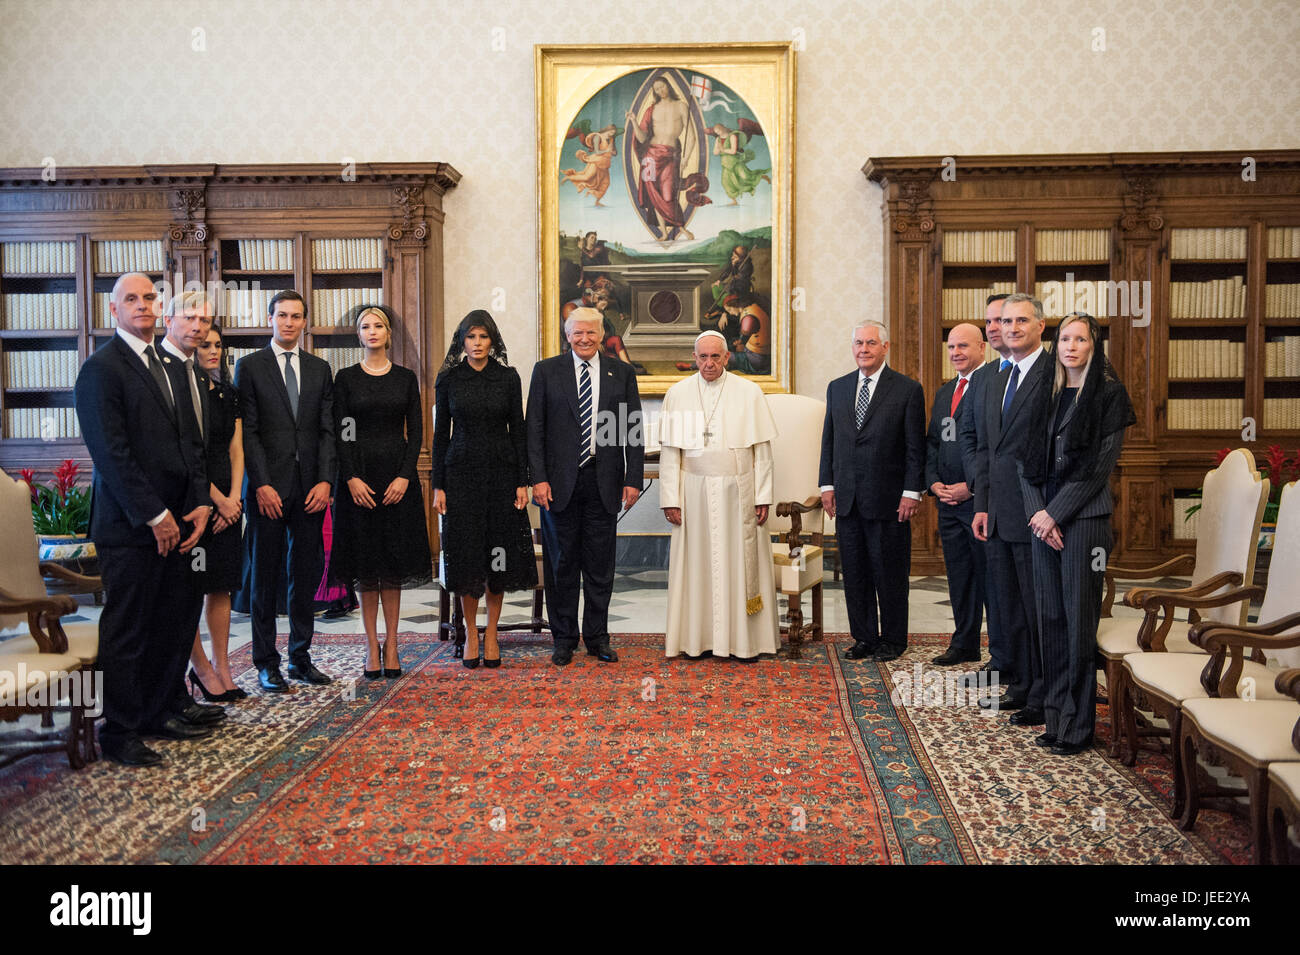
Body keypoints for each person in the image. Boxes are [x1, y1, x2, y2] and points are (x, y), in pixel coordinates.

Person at [73, 274, 215, 766]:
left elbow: (190, 444)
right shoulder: (100, 369)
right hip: (131, 528)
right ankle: (119, 733)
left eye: (149, 297)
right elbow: (112, 455)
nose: (142, 305)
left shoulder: (170, 365)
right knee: (128, 630)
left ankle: (159, 711)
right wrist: (155, 516)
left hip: (182, 522)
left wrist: (199, 502)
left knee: (172, 622)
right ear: (114, 311)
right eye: (130, 299)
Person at [1018, 313, 1134, 755]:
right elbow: (1023, 462)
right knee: (1049, 620)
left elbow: (1096, 469)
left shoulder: (1108, 395)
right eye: (1064, 338)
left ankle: (1078, 726)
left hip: (1084, 525)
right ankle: (1054, 718)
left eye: (1080, 339)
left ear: (1093, 345)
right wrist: (1037, 516)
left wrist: (1054, 516)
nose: (1070, 346)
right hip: (1042, 524)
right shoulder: (1045, 393)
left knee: (1077, 621)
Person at [527, 307, 644, 666]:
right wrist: (539, 478)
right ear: (567, 336)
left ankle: (597, 637)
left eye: (591, 333)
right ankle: (563, 639)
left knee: (599, 565)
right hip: (558, 484)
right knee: (561, 564)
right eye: (577, 333)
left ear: (602, 334)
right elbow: (534, 429)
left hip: (603, 480)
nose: (584, 339)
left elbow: (632, 429)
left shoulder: (620, 373)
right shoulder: (547, 371)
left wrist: (632, 479)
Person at [235, 289, 336, 692]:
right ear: (270, 318)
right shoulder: (250, 366)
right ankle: (266, 662)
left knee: (304, 575)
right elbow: (249, 434)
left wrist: (327, 480)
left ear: (305, 322)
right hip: (268, 491)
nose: (289, 322)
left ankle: (300, 657)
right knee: (264, 577)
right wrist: (260, 484)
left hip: (310, 488)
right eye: (282, 315)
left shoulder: (319, 369)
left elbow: (328, 431)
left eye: (296, 316)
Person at [659, 330, 779, 659]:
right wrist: (670, 497)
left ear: (727, 358)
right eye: (702, 357)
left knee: (738, 564)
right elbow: (671, 453)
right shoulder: (679, 394)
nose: (709, 363)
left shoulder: (749, 392)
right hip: (693, 494)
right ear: (694, 357)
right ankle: (696, 640)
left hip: (738, 492)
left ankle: (745, 642)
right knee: (697, 566)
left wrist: (763, 495)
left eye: (715, 357)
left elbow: (762, 452)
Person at [331, 305, 433, 678]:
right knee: (365, 567)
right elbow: (341, 432)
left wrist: (406, 477)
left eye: (378, 326)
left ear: (390, 334)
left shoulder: (406, 378)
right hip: (358, 483)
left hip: (396, 482)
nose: (372, 331)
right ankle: (369, 644)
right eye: (365, 326)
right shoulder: (344, 378)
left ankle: (392, 643)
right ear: (358, 335)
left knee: (392, 567)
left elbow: (417, 433)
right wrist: (351, 477)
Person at [431, 310, 535, 669]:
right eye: (471, 337)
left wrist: (523, 481)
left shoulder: (508, 378)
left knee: (497, 554)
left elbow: (518, 430)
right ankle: (471, 633)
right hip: (459, 476)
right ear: (462, 340)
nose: (477, 344)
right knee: (467, 554)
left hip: (502, 476)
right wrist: (438, 486)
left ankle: (492, 632)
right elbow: (439, 435)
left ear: (493, 341)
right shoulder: (448, 379)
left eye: (483, 337)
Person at [819, 321, 926, 662]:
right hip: (847, 500)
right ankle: (864, 637)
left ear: (885, 347)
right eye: (858, 343)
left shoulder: (907, 389)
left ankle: (893, 640)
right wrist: (827, 485)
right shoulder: (837, 387)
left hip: (889, 501)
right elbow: (829, 441)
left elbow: (915, 447)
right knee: (855, 574)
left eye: (870, 343)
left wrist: (912, 491)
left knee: (890, 574)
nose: (863, 349)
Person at [970, 293, 1053, 725]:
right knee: (1008, 609)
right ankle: (1020, 685)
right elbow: (987, 449)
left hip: (1036, 513)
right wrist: (982, 505)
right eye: (1004, 321)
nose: (1010, 327)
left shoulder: (1054, 372)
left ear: (1041, 326)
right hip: (998, 512)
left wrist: (1049, 510)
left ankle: (1042, 696)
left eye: (1021, 320)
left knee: (1037, 610)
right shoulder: (997, 377)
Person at [186, 319, 248, 702]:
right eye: (205, 344)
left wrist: (235, 498)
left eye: (218, 344)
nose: (213, 350)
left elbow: (236, 450)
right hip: (196, 503)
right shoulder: (186, 392)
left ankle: (222, 665)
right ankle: (200, 668)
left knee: (221, 585)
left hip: (229, 503)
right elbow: (189, 456)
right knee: (192, 587)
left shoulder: (230, 393)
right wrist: (216, 500)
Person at [925, 323, 988, 666]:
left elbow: (993, 447)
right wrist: (933, 483)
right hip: (947, 502)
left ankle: (1003, 652)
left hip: (980, 502)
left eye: (963, 346)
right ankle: (964, 643)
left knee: (989, 579)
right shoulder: (945, 391)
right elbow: (933, 442)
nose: (956, 353)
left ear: (982, 347)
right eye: (951, 347)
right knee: (960, 577)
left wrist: (972, 487)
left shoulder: (992, 386)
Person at [959, 294, 1013, 679]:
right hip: (990, 503)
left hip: (1030, 506)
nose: (996, 328)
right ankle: (1002, 664)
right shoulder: (990, 377)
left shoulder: (1045, 373)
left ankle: (1024, 674)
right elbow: (973, 438)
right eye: (991, 321)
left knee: (1017, 599)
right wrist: (980, 494)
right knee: (998, 590)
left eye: (1003, 321)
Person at [627, 77, 696, 241]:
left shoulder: (681, 106)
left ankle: (681, 228)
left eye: (662, 87)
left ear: (668, 86)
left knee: (667, 194)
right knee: (653, 194)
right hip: (650, 156)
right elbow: (642, 138)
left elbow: (692, 136)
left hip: (670, 155)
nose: (660, 91)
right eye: (656, 89)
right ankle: (664, 232)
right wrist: (634, 122)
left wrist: (686, 158)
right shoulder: (652, 109)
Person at [709, 122, 770, 204]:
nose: (718, 133)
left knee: (745, 177)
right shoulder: (718, 139)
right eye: (716, 132)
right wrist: (718, 149)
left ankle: (762, 176)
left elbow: (733, 151)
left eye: (719, 131)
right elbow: (715, 152)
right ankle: (734, 201)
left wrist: (723, 150)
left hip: (735, 162)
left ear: (722, 128)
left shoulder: (732, 136)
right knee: (726, 183)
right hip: (725, 163)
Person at [561, 129, 619, 206]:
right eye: (611, 132)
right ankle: (568, 177)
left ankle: (597, 202)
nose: (612, 134)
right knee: (587, 177)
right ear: (608, 130)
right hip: (597, 161)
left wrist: (611, 148)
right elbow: (597, 152)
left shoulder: (609, 140)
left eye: (613, 133)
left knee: (605, 183)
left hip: (605, 163)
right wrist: (607, 150)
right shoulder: (597, 137)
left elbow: (614, 153)